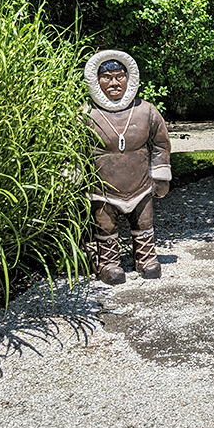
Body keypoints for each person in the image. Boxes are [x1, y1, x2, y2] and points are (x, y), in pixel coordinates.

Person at [84, 50, 172, 284]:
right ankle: (109, 263)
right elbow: (74, 150)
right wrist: (72, 173)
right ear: (96, 80)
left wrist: (161, 176)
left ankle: (145, 259)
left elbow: (161, 144)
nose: (114, 83)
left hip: (140, 185)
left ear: (129, 78)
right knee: (105, 226)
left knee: (143, 223)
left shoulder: (146, 111)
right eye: (107, 77)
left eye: (119, 76)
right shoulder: (86, 115)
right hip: (103, 189)